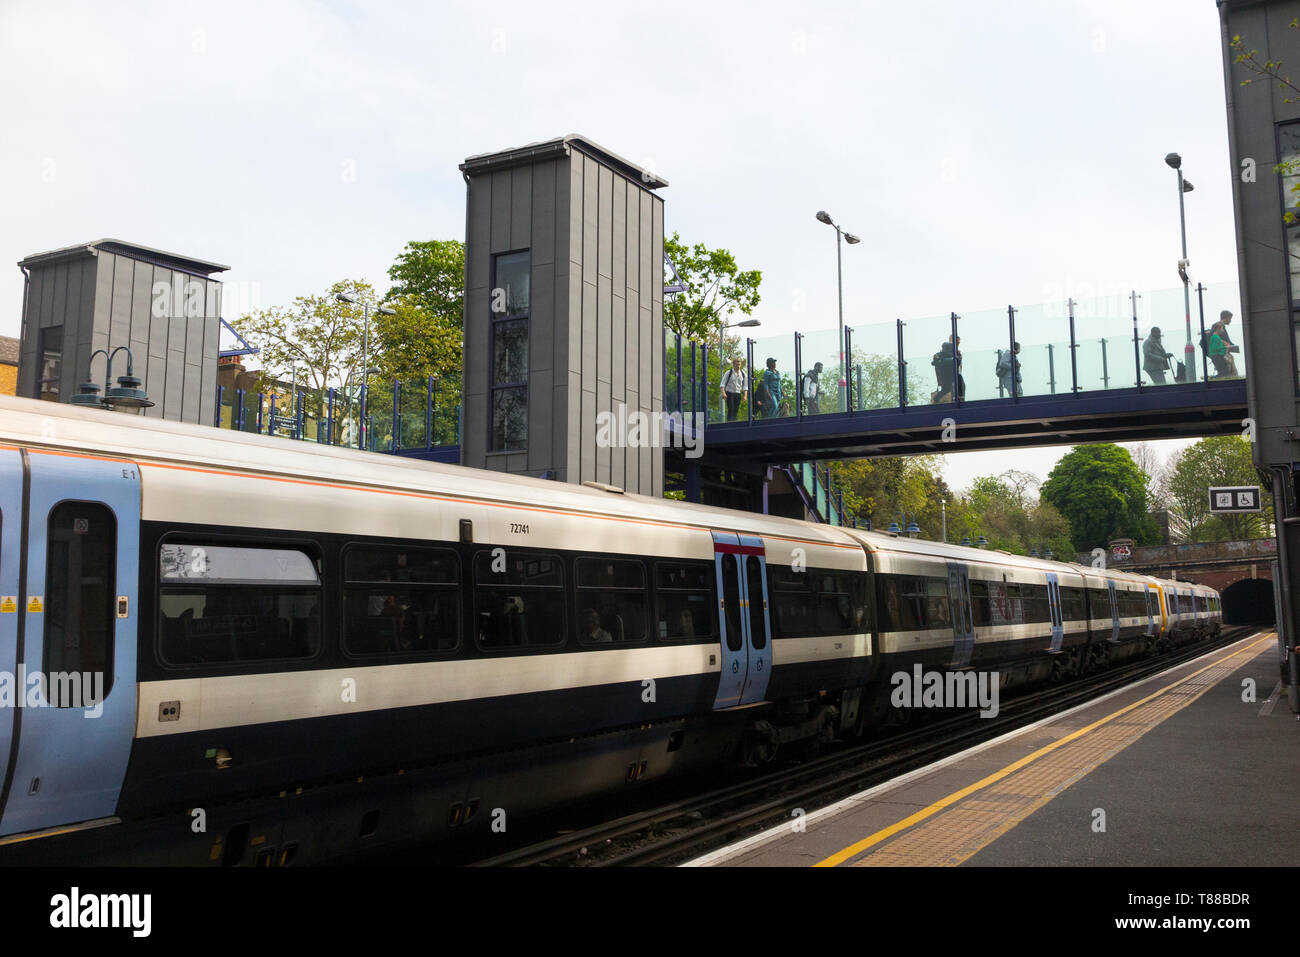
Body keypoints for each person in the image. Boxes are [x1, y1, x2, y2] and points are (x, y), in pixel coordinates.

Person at [931, 335, 964, 402]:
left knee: (948, 388)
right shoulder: (946, 350)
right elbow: (934, 362)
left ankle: (935, 399)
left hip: (950, 373)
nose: (957, 344)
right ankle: (936, 399)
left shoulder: (956, 352)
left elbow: (958, 362)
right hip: (947, 374)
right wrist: (952, 360)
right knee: (954, 384)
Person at [720, 357, 747, 421]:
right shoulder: (729, 373)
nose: (738, 366)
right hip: (729, 393)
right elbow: (722, 384)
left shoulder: (743, 374)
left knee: (736, 410)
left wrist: (745, 395)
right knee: (731, 409)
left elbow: (745, 386)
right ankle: (729, 424)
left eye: (739, 364)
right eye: (737, 364)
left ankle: (733, 423)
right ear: (733, 364)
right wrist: (723, 393)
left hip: (738, 394)